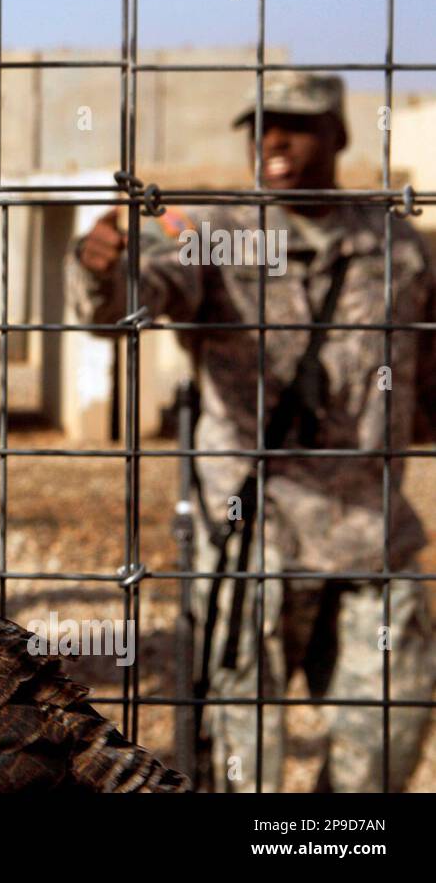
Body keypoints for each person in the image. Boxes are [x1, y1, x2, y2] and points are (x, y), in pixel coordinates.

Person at [66, 72, 435, 792]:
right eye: (260, 124)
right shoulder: (218, 237)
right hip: (250, 544)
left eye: (295, 124)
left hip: (370, 537)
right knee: (246, 756)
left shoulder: (401, 246)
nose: (273, 139)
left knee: (389, 729)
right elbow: (127, 308)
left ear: (339, 135)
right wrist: (99, 271)